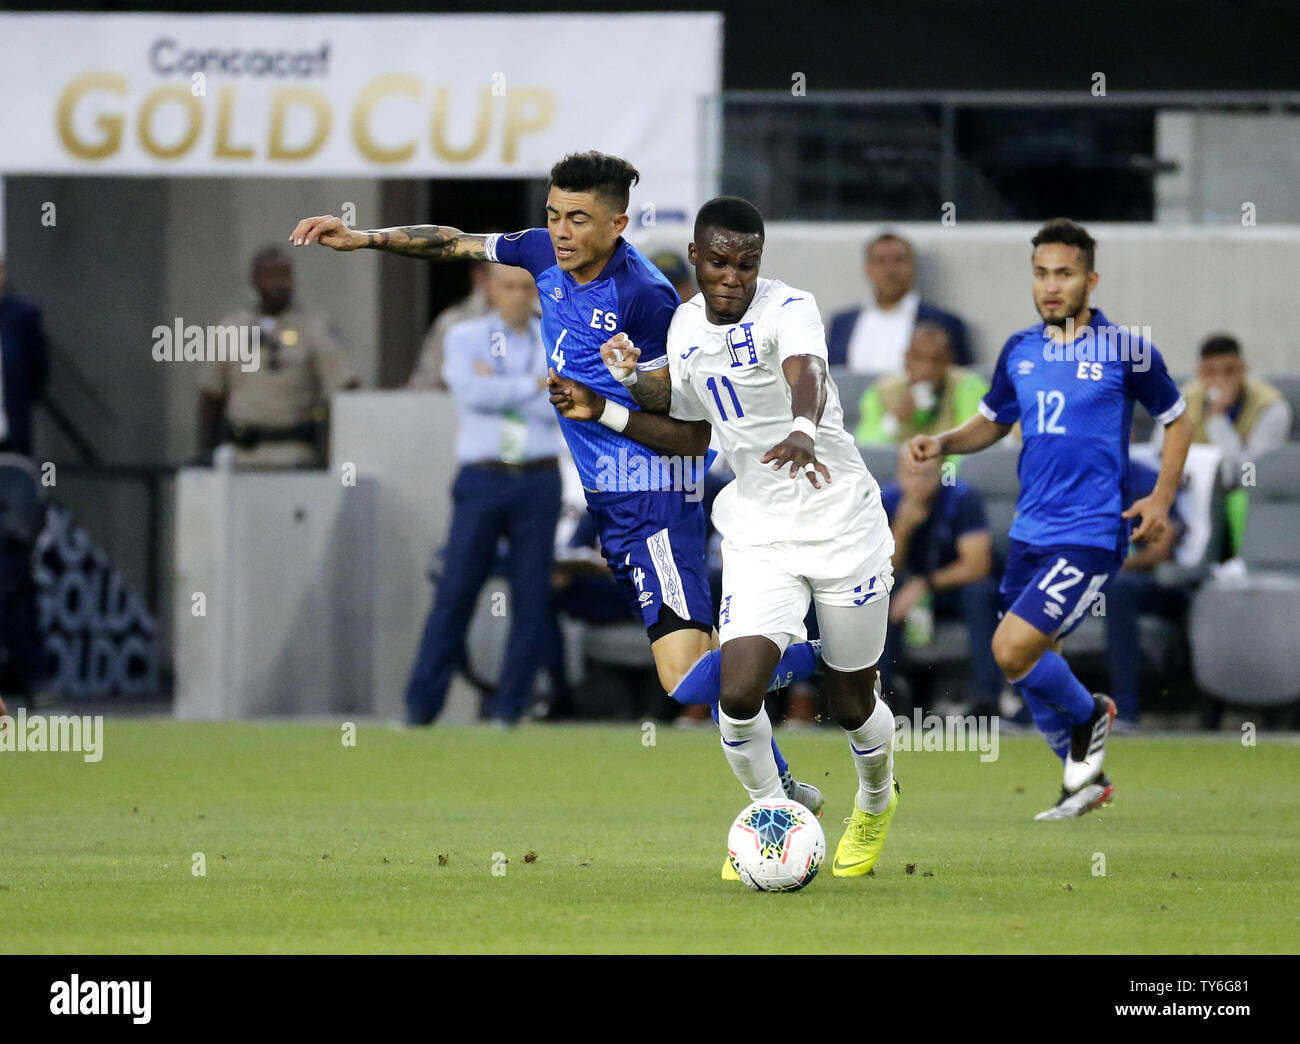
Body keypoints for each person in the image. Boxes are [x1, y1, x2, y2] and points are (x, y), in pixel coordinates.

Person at [290, 153, 822, 806]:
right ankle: (784, 782)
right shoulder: (542, 253)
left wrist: (604, 408)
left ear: (618, 223)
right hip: (610, 503)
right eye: (553, 215)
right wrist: (363, 238)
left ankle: (826, 660)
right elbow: (454, 243)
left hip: (656, 501)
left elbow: (693, 435)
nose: (561, 232)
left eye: (578, 219)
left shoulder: (646, 298)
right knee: (709, 661)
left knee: (684, 677)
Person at [551, 197, 901, 879]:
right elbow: (689, 428)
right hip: (760, 532)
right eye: (719, 262)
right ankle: (773, 820)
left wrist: (802, 428)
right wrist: (617, 395)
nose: (733, 276)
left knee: (852, 702)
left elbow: (807, 372)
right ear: (696, 258)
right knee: (737, 694)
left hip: (842, 526)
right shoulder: (684, 327)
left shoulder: (788, 308)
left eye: (747, 263)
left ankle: (876, 799)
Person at [908, 218, 1192, 820]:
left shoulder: (1126, 350)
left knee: (1011, 649)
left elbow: (1178, 419)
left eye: (1064, 273)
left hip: (1090, 533)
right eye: (1041, 273)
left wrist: (1161, 499)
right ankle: (1084, 779)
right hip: (1030, 533)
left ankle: (1092, 715)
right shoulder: (1021, 349)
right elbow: (994, 419)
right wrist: (945, 442)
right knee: (1033, 664)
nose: (1051, 286)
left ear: (1091, 280)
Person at [404, 266, 561, 726]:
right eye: (508, 286)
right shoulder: (464, 335)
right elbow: (472, 395)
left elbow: (564, 404)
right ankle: (420, 708)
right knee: (455, 590)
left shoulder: (556, 338)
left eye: (526, 287)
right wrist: (533, 385)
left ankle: (509, 710)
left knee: (532, 597)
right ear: (490, 288)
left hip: (537, 477)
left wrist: (502, 387)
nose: (517, 296)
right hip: (483, 478)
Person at [199, 247, 358, 468]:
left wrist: (332, 455)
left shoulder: (314, 327)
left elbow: (344, 387)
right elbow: (211, 395)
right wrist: (205, 454)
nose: (278, 284)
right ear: (255, 280)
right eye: (270, 276)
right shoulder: (232, 327)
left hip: (294, 453)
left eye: (284, 275)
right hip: (241, 455)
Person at [878, 443, 1000, 716]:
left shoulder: (962, 498)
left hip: (954, 590)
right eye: (911, 473)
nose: (918, 482)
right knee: (880, 595)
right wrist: (904, 527)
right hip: (906, 590)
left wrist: (924, 584)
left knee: (979, 594)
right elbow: (881, 569)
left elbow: (977, 567)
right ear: (899, 473)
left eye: (927, 474)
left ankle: (987, 700)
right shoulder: (888, 501)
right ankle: (880, 701)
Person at [1150, 334, 1291, 555]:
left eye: (1229, 371)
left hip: (1241, 495)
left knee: (1239, 500)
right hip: (1192, 491)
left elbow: (1250, 475)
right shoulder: (1183, 400)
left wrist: (1217, 419)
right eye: (1211, 372)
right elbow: (1157, 455)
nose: (1220, 380)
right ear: (1199, 374)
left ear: (1243, 370)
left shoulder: (1270, 407)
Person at [0, 256, 49, 716]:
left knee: (13, 570)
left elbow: (36, 382)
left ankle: (35, 678)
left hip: (10, 459)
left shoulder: (22, 318)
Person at [1104, 459, 1186, 730]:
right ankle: (1030, 709)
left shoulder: (1149, 481)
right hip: (1093, 578)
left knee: (1119, 588)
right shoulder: (1078, 480)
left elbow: (1160, 550)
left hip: (1151, 581)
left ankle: (1125, 709)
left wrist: (1110, 564)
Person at [827, 233, 971, 373]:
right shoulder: (841, 324)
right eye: (880, 261)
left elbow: (961, 379)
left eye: (899, 260)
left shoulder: (945, 323)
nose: (890, 270)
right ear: (867, 268)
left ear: (913, 266)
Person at [855, 321, 989, 446]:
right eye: (918, 358)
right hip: (896, 463)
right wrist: (895, 419)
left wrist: (941, 461)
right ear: (906, 359)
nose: (927, 369)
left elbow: (972, 443)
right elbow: (864, 446)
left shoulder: (968, 386)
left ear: (949, 361)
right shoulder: (882, 390)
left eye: (936, 360)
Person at [407, 260, 492, 391]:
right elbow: (424, 384)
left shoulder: (529, 323)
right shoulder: (453, 323)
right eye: (508, 283)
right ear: (480, 277)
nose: (518, 295)